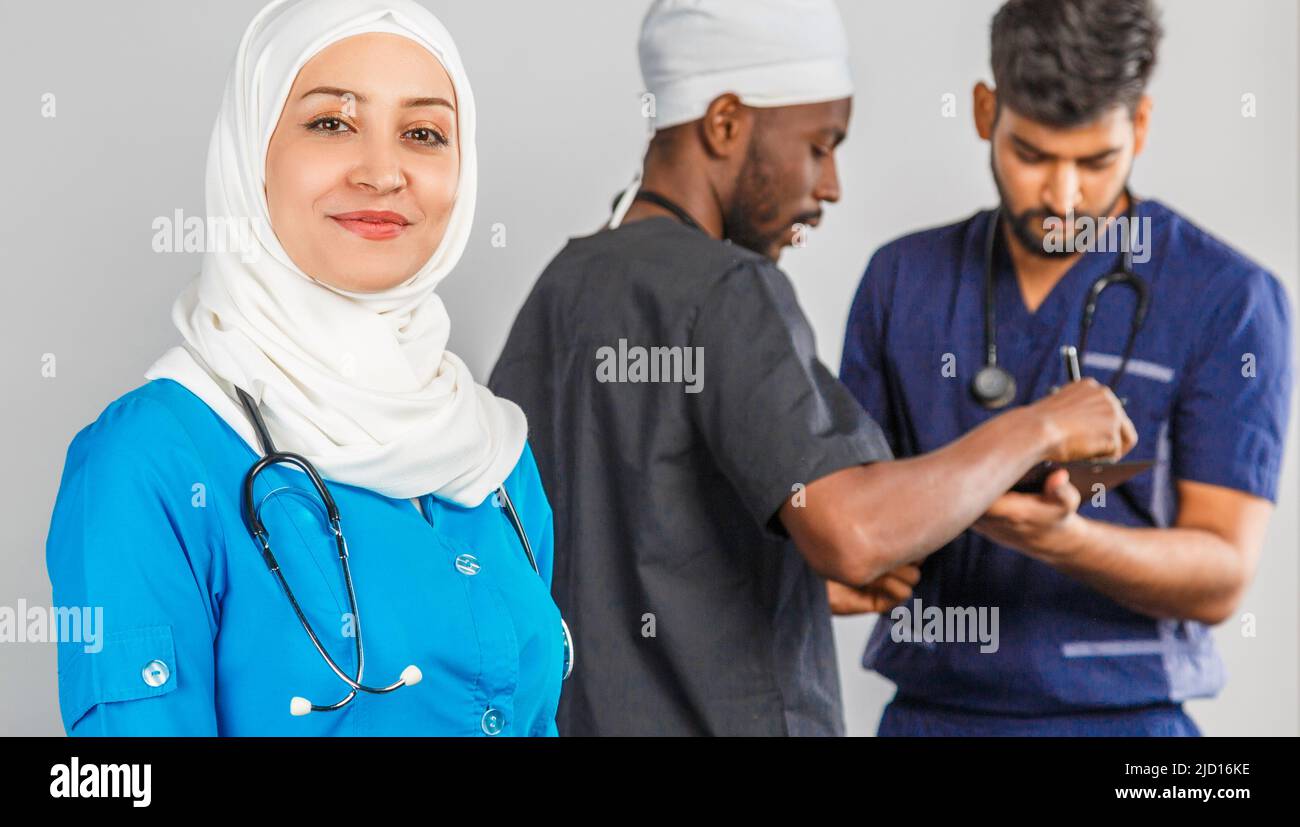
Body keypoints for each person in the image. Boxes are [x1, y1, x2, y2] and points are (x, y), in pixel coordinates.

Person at [490, 0, 1136, 736]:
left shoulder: (556, 292)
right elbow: (852, 529)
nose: (830, 185)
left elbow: (634, 549)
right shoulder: (728, 288)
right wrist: (1043, 424)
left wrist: (794, 580)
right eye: (821, 145)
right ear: (726, 122)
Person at [46, 0, 565, 736]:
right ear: (252, 153)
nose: (384, 173)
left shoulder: (493, 457)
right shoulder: (149, 461)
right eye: (331, 123)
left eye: (423, 134)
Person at [840, 0, 1293, 736]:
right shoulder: (901, 281)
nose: (1063, 197)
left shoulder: (1228, 298)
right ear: (986, 111)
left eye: (1096, 161)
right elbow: (849, 517)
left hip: (1132, 729)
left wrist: (1063, 541)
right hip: (930, 717)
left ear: (1139, 126)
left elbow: (1220, 576)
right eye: (1033, 155)